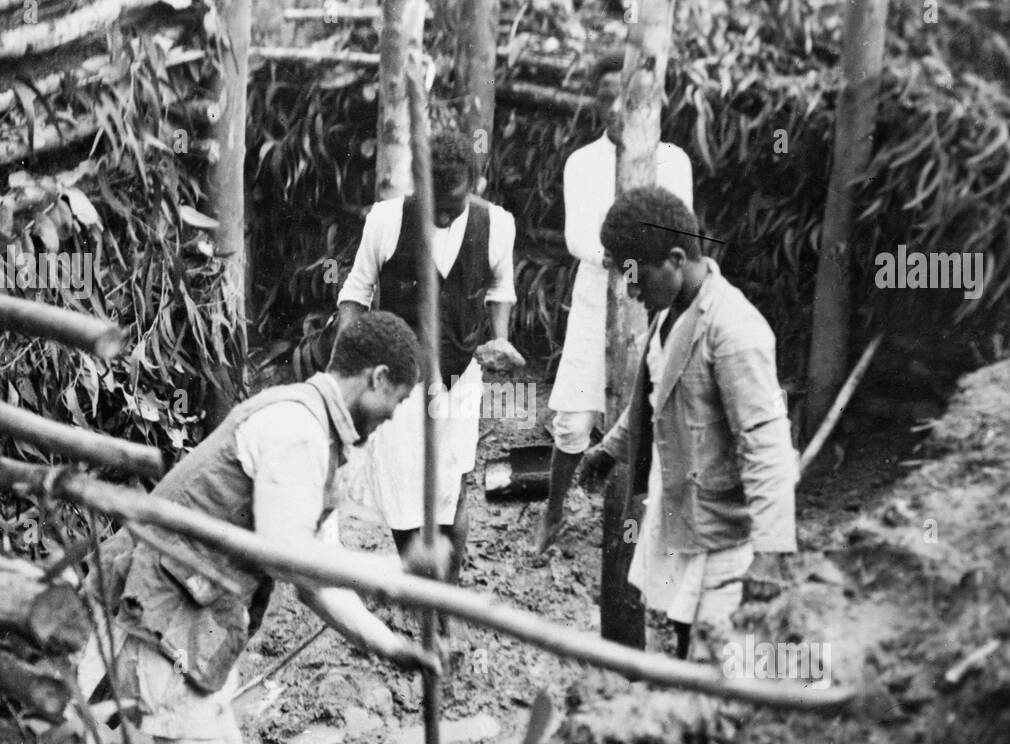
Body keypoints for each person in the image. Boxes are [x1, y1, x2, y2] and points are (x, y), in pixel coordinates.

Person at [80, 312, 437, 744]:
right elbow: (287, 555)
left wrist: (389, 645)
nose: (387, 422)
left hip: (184, 617)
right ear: (377, 377)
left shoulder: (317, 433)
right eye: (393, 405)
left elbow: (317, 578)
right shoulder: (298, 431)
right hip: (155, 613)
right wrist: (393, 572)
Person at [580, 187, 798, 661]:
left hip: (727, 534)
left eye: (636, 276)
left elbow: (767, 445)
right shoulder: (668, 316)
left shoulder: (734, 329)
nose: (630, 290)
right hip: (683, 514)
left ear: (676, 259)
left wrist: (772, 551)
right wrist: (611, 449)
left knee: (718, 664)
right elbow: (654, 398)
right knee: (684, 634)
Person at [334, 129, 524, 582]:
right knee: (402, 493)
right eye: (432, 205)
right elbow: (354, 295)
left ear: (473, 188)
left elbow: (501, 289)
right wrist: (345, 372)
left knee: (450, 489)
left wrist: (498, 339)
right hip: (399, 385)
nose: (441, 216)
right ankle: (421, 589)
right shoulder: (385, 220)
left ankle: (446, 597)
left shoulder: (497, 225)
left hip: (460, 379)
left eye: (452, 207)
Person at [536, 50, 695, 553]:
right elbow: (579, 237)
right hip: (597, 294)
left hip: (654, 297)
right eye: (605, 98)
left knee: (653, 406)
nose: (615, 108)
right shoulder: (582, 162)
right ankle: (555, 509)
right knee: (573, 416)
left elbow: (681, 230)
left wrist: (642, 257)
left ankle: (643, 521)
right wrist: (623, 252)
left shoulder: (672, 159)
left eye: (625, 98)